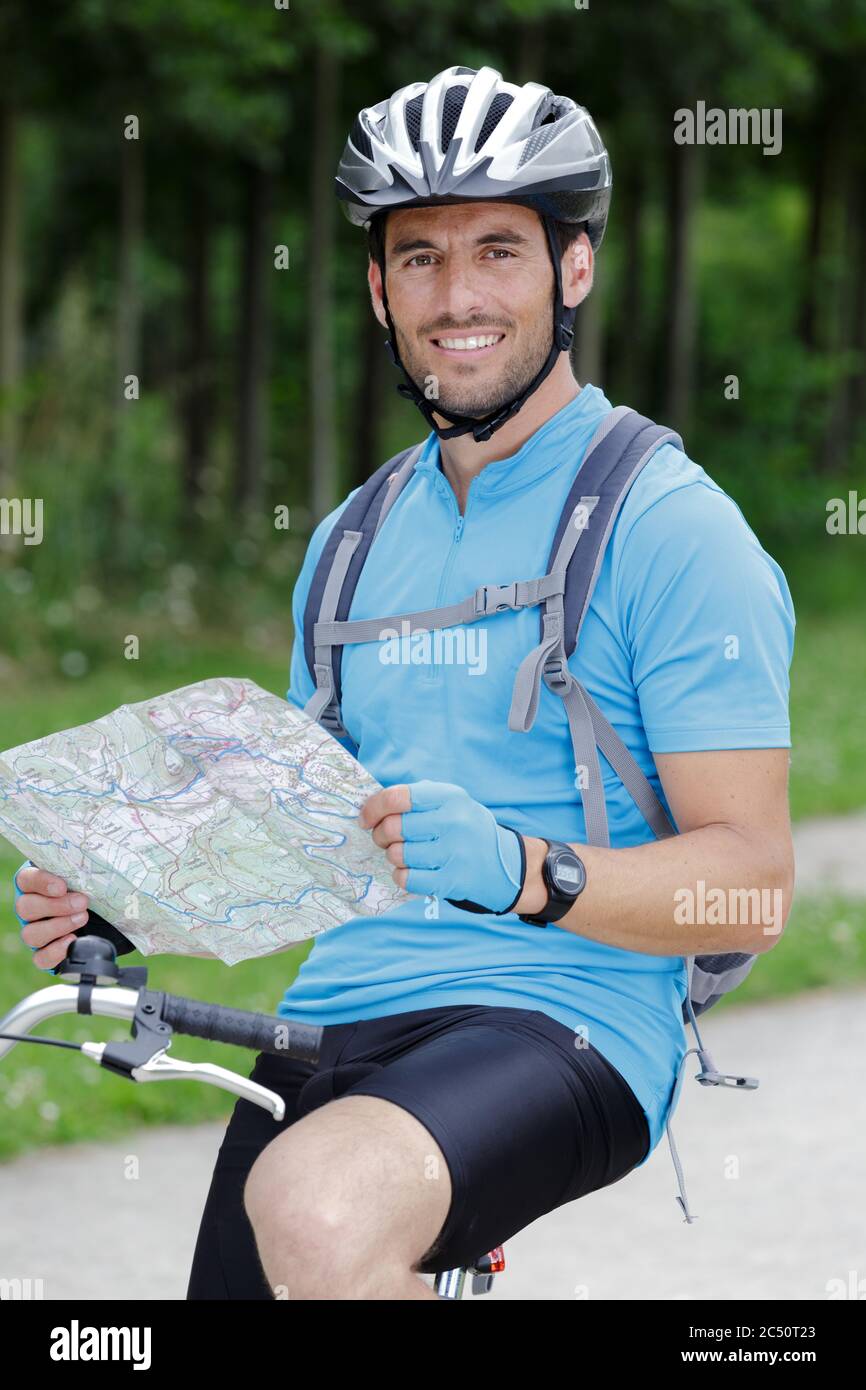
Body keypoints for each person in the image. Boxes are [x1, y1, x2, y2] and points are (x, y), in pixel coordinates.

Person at [15, 65, 795, 1301]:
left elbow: (748, 893)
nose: (458, 295)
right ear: (378, 290)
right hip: (332, 1020)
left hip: (566, 1016)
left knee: (316, 1210)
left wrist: (524, 873)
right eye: (419, 258)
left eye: (498, 250)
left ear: (571, 269)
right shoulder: (353, 538)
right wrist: (127, 906)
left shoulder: (669, 528)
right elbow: (302, 834)